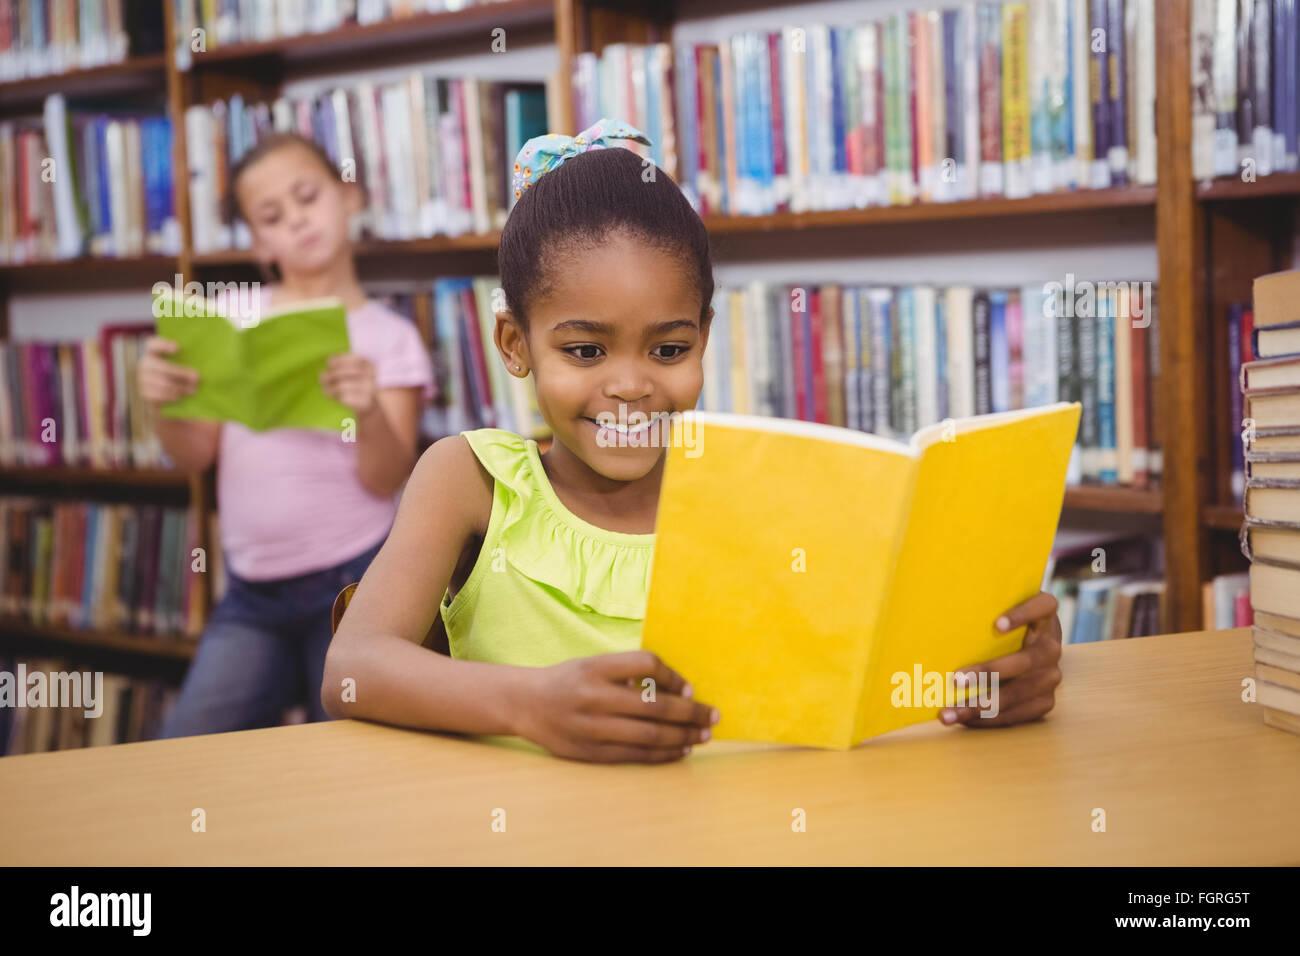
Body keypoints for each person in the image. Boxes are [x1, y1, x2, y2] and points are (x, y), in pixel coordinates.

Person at [323, 119, 1063, 762]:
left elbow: (836, 683)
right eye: (585, 351)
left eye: (668, 350)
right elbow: (352, 667)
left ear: (704, 337)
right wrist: (532, 705)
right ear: (514, 344)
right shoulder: (469, 478)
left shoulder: (749, 485)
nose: (631, 386)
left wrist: (989, 676)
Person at [139, 132, 434, 738]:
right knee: (182, 748)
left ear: (347, 197)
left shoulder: (390, 337)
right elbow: (195, 455)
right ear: (257, 242)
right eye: (272, 216)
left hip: (352, 584)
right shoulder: (230, 317)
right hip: (250, 592)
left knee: (353, 752)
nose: (297, 221)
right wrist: (162, 405)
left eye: (308, 197)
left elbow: (385, 479)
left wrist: (368, 411)